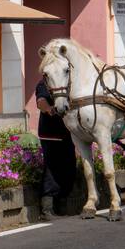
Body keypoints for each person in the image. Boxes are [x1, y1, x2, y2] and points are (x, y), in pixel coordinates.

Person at [35, 76, 77, 218]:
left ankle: (62, 203)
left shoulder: (68, 83)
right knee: (52, 169)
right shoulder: (43, 84)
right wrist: (50, 110)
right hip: (51, 133)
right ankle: (47, 208)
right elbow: (40, 102)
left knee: (70, 168)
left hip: (68, 133)